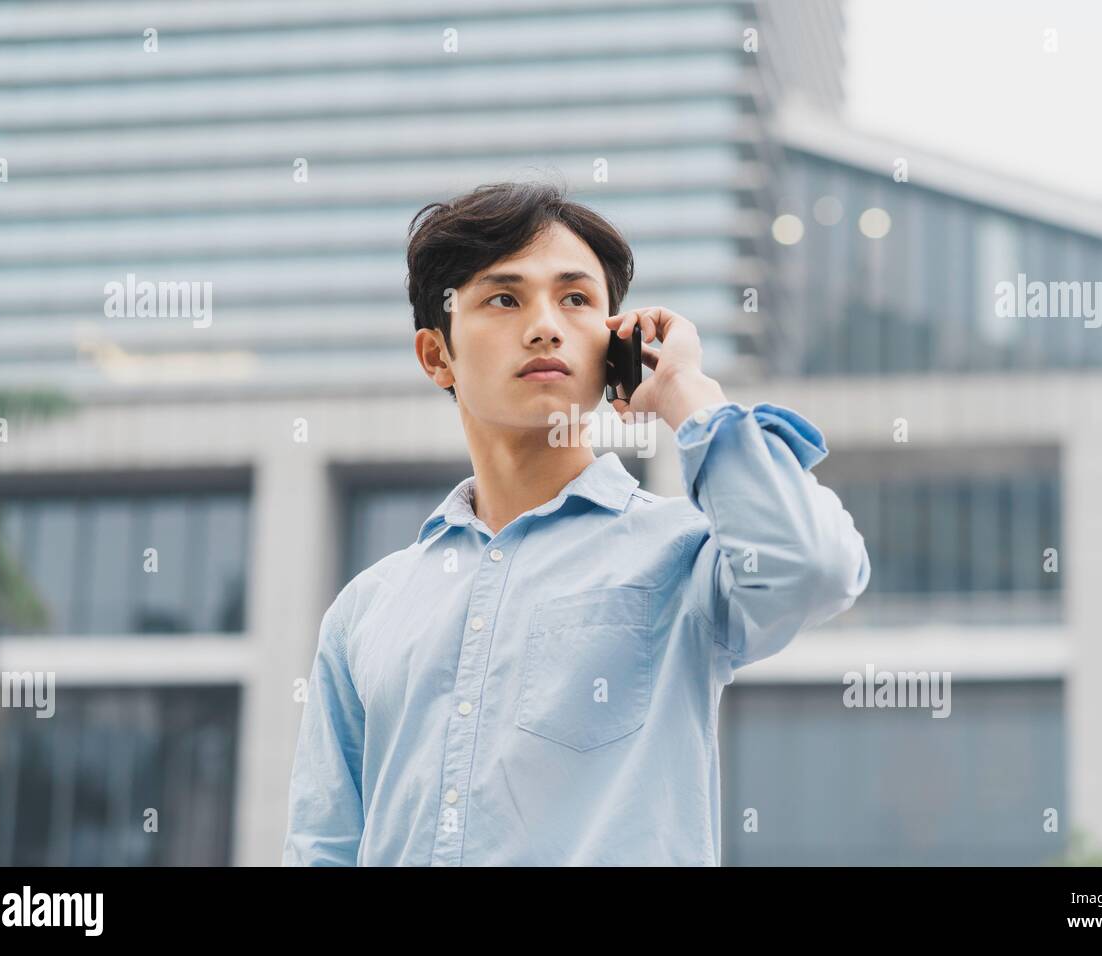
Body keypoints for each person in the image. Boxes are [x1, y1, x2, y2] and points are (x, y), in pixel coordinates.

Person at [282, 180, 870, 866]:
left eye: (577, 299)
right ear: (437, 355)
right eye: (504, 299)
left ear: (613, 343)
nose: (544, 325)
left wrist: (687, 393)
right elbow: (322, 846)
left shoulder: (683, 554)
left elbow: (816, 568)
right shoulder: (366, 609)